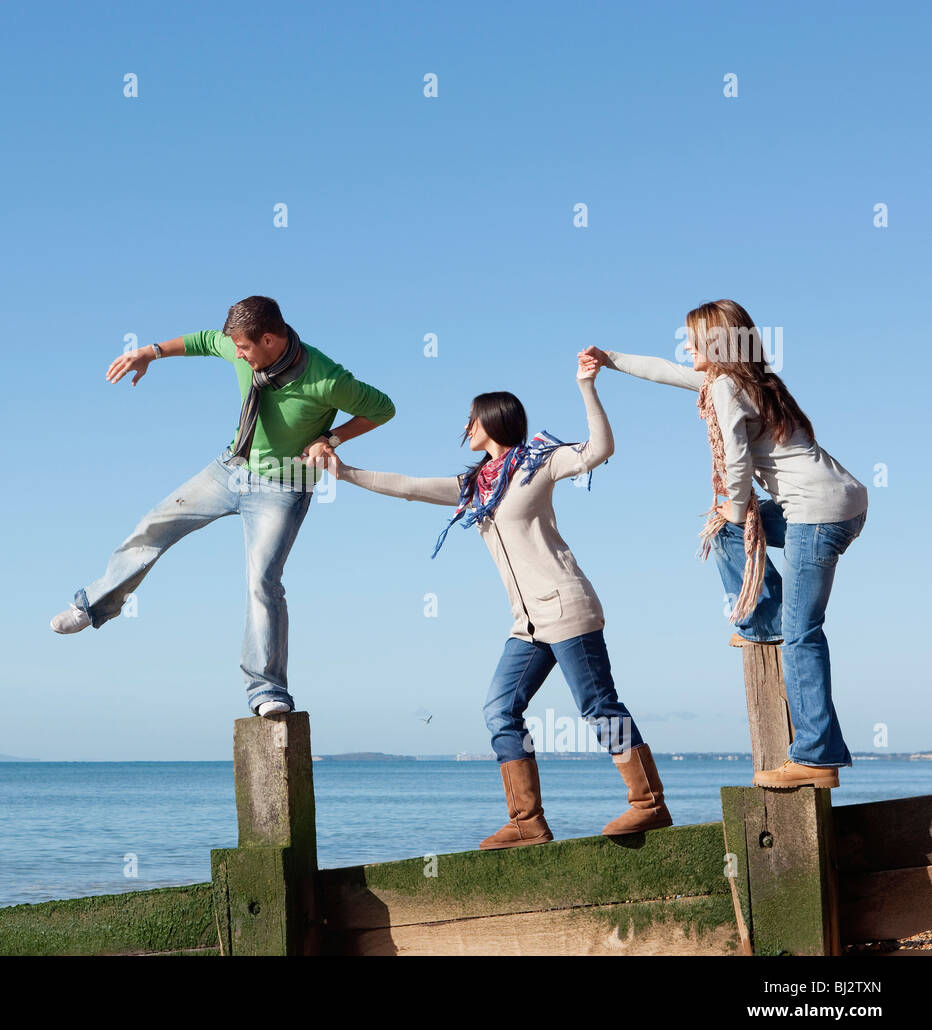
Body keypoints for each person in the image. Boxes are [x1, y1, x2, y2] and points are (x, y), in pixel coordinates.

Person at [325, 353, 672, 849]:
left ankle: (648, 803)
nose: (465, 426)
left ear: (492, 420)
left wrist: (586, 385)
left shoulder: (539, 463)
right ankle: (528, 822)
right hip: (528, 624)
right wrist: (344, 471)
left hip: (567, 607)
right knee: (499, 709)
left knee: (598, 705)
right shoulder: (475, 487)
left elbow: (599, 449)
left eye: (472, 418)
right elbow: (408, 488)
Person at [51, 295, 396, 718]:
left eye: (245, 348)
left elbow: (383, 407)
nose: (236, 353)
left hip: (284, 485)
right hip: (230, 467)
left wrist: (332, 438)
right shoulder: (239, 348)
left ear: (269, 339)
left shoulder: (326, 379)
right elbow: (200, 341)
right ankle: (92, 604)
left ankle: (267, 690)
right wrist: (150, 353)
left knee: (262, 581)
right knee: (155, 524)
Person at [581, 299, 868, 790]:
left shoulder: (727, 388)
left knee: (801, 633)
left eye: (693, 338)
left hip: (816, 514)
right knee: (728, 530)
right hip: (839, 501)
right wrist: (610, 358)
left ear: (717, 343)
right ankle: (761, 618)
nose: (685, 346)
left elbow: (736, 465)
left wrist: (735, 513)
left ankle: (817, 758)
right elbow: (666, 372)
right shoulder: (744, 381)